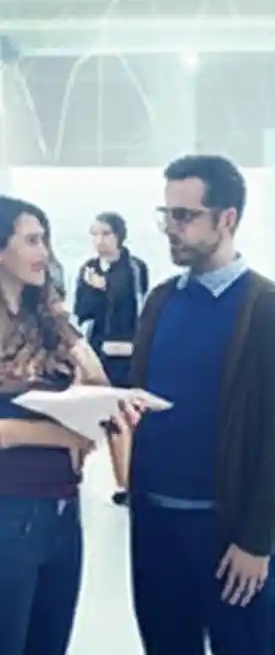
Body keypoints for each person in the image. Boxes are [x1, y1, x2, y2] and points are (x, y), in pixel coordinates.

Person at [127, 155, 275, 655]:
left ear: (226, 218)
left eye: (185, 216)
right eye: (167, 215)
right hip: (156, 532)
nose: (171, 230)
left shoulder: (268, 309)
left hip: (228, 539)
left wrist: (256, 540)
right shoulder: (159, 302)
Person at [0, 195, 137, 655]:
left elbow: (101, 388)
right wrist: (62, 434)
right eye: (32, 240)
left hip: (61, 514)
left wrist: (101, 393)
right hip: (7, 515)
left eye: (45, 239)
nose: (44, 251)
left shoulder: (50, 319)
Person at [74, 211, 150, 506]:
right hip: (97, 351)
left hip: (126, 353)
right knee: (87, 414)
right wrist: (95, 291)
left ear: (119, 236)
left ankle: (126, 484)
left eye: (105, 233)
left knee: (122, 418)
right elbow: (83, 310)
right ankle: (76, 477)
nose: (99, 240)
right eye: (95, 233)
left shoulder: (133, 267)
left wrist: (104, 288)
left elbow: (131, 304)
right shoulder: (87, 269)